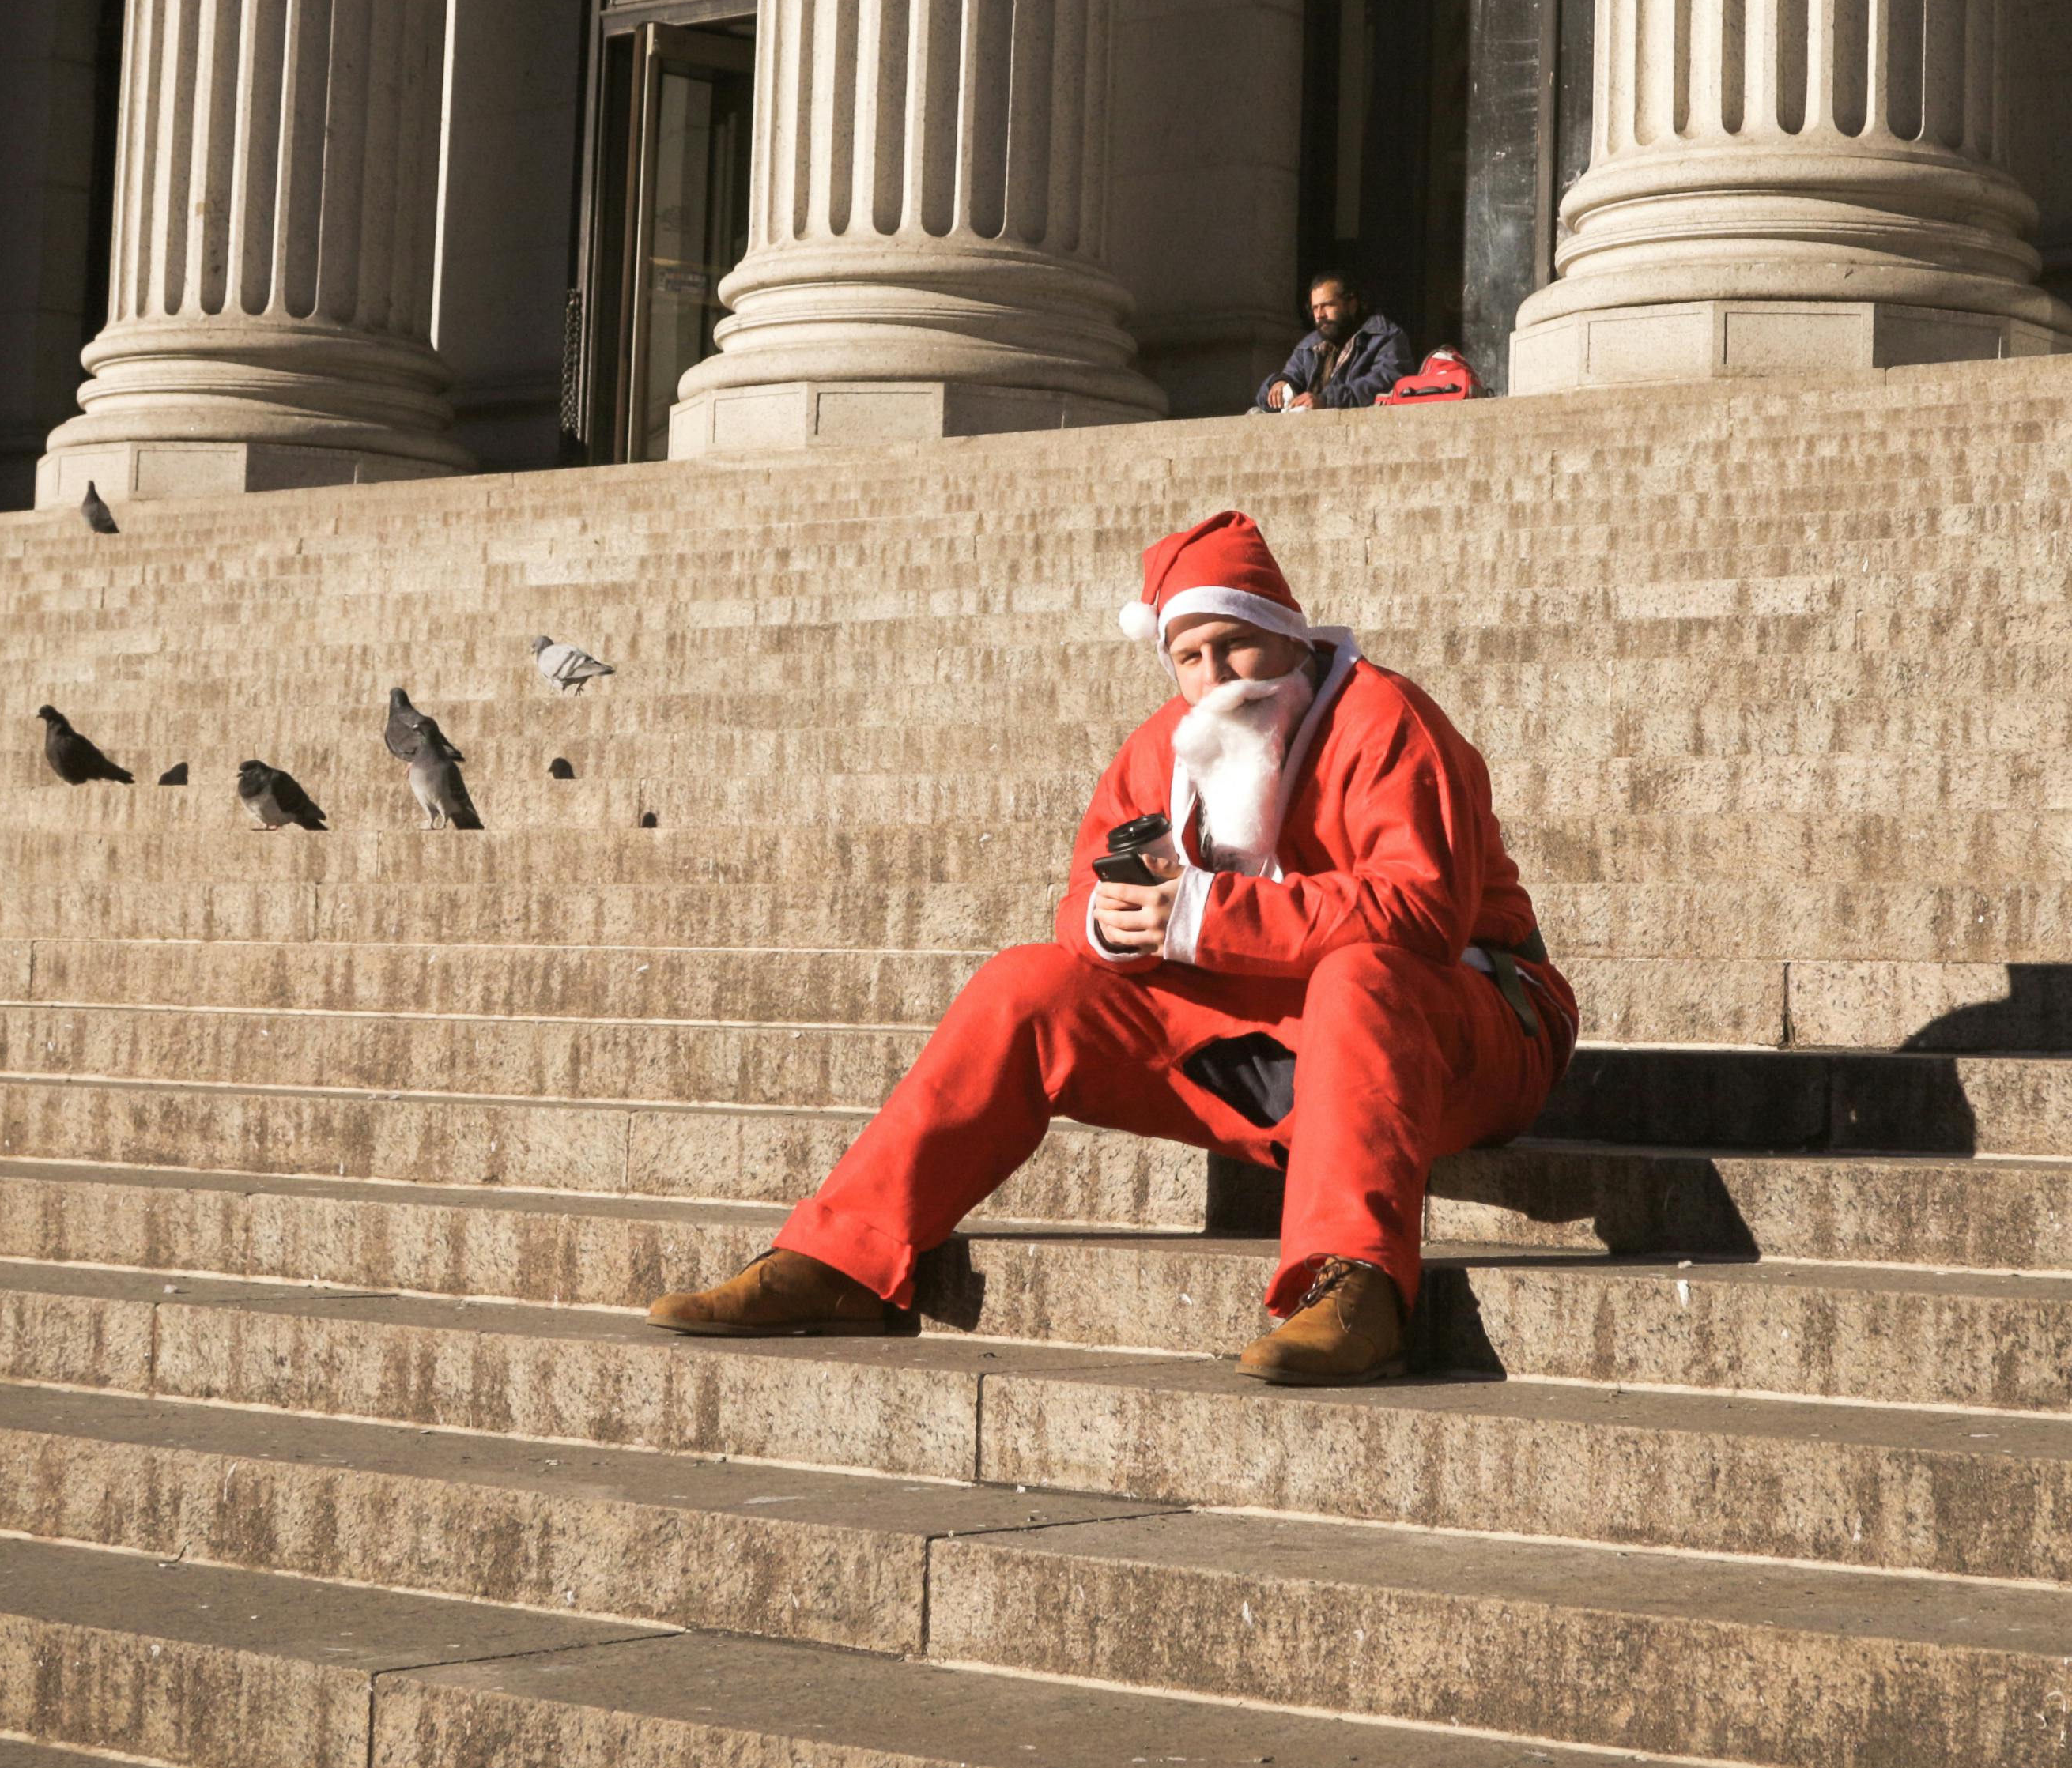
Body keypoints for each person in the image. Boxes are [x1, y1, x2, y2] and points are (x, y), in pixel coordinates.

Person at [646, 511, 1573, 1383]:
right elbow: (1083, 902)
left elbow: (1418, 916)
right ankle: (842, 1259)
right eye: (1189, 656)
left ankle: (1358, 1289)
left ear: (1290, 632)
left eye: (1236, 643)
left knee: (1362, 975)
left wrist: (1204, 915)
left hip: (1473, 1027)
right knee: (1029, 983)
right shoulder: (1162, 744)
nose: (1217, 675)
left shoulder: (1385, 717)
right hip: (1267, 1043)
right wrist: (1114, 927)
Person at [1255, 277, 1409, 411]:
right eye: (1315, 308)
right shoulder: (1308, 346)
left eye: (1328, 305)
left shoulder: (1384, 337)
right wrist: (1279, 384)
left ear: (1352, 305)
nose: (1320, 314)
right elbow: (1289, 378)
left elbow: (1385, 384)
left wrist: (1326, 401)